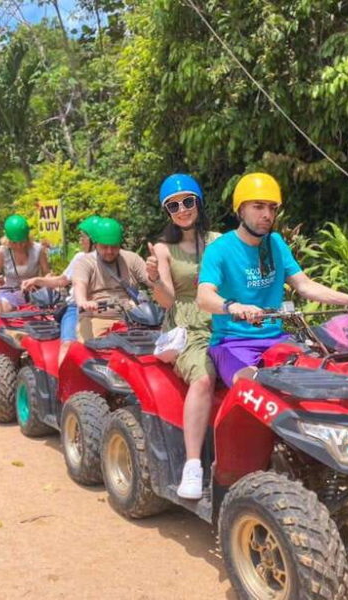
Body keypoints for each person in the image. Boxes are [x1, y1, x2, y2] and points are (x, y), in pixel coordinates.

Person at [197, 172, 348, 387]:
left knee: (322, 376)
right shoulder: (219, 249)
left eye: (272, 208)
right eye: (258, 206)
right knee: (249, 386)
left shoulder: (275, 243)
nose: (267, 214)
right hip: (233, 344)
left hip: (278, 340)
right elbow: (204, 296)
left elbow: (304, 285)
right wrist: (233, 306)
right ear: (240, 209)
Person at [145, 174, 220, 500]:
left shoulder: (218, 240)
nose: (182, 209)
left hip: (223, 316)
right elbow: (167, 299)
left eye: (187, 201)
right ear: (167, 211)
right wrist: (154, 281)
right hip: (187, 323)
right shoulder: (164, 248)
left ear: (198, 202)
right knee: (203, 377)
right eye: (173, 205)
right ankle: (192, 465)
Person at [22, 215, 102, 365]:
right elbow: (62, 280)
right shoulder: (80, 258)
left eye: (83, 237)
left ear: (94, 240)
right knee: (67, 344)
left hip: (103, 309)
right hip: (76, 308)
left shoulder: (111, 259)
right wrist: (37, 280)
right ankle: (61, 385)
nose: (80, 241)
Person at [73, 217, 153, 340]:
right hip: (96, 318)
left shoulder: (132, 259)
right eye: (105, 247)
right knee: (90, 352)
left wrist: (155, 274)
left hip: (133, 319)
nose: (110, 251)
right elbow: (79, 284)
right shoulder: (85, 262)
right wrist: (83, 301)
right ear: (95, 244)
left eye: (114, 247)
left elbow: (151, 281)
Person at [0, 214, 50, 313]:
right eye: (14, 243)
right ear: (8, 240)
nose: (19, 246)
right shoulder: (3, 251)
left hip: (33, 293)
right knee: (3, 311)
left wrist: (46, 282)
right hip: (9, 292)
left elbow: (47, 273)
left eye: (22, 242)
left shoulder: (38, 250)